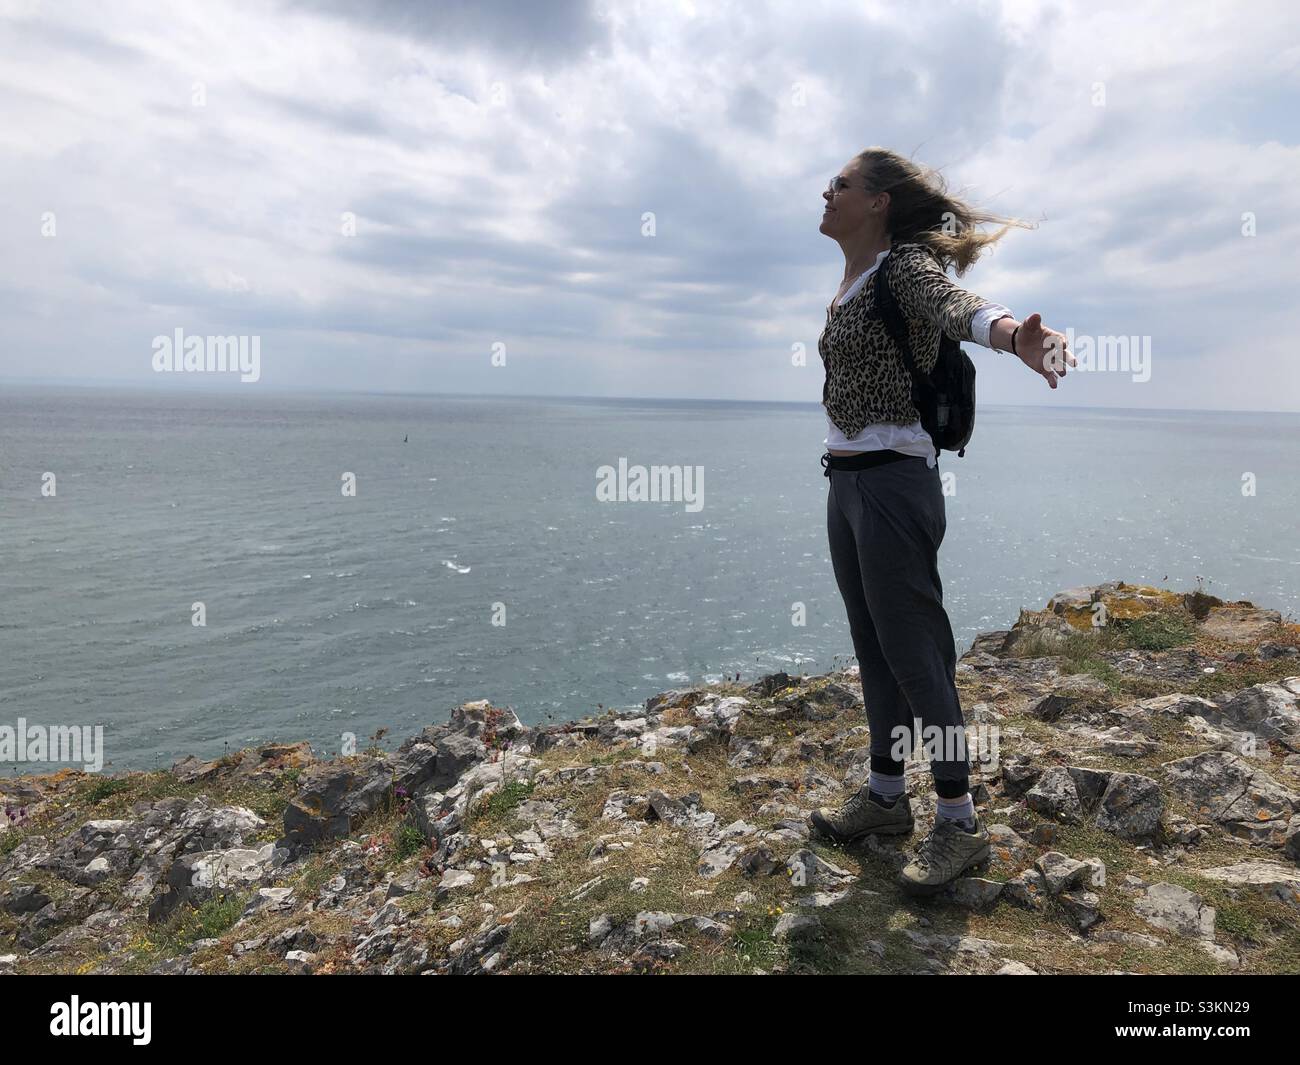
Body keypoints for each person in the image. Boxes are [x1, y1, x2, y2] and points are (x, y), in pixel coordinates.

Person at [808, 147, 1074, 895]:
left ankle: (958, 823)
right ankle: (887, 798)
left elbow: (957, 307)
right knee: (875, 646)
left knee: (916, 652)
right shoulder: (851, 279)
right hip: (848, 482)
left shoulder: (902, 268)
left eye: (842, 183)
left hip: (894, 487)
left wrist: (1014, 333)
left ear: (879, 202)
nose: (827, 191)